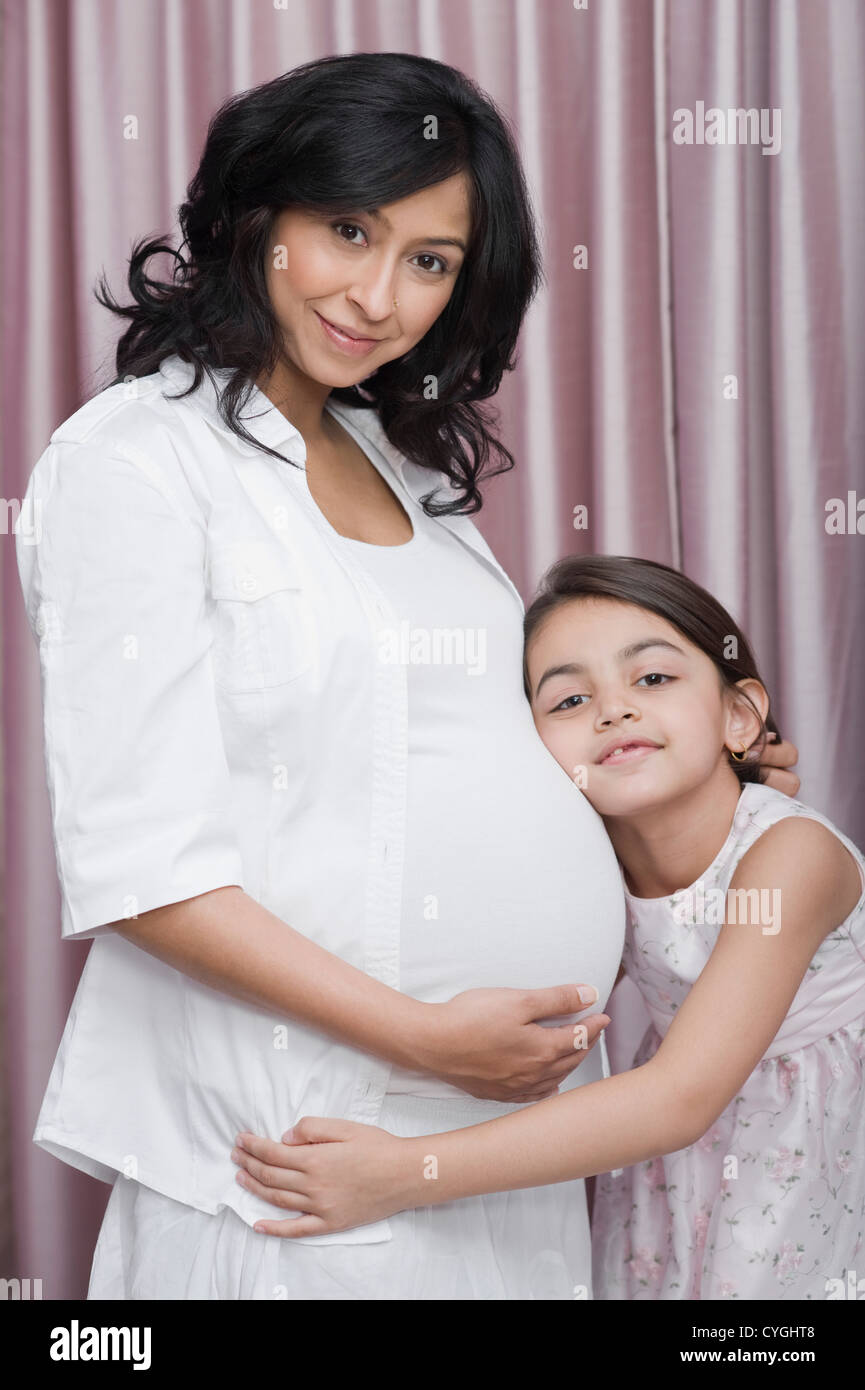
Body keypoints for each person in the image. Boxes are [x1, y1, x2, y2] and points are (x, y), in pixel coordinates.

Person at [17, 53, 798, 1301]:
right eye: (346, 231)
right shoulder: (136, 463)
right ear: (254, 211)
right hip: (309, 1157)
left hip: (500, 1160)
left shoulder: (400, 471)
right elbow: (142, 870)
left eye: (430, 261)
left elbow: (485, 757)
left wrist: (714, 801)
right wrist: (426, 1035)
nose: (380, 296)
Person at [228, 555, 863, 1302]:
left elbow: (678, 1099)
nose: (613, 710)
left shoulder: (792, 856)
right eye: (567, 700)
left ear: (737, 714)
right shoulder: (588, 849)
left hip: (793, 1144)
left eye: (652, 679)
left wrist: (406, 1173)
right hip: (671, 1168)